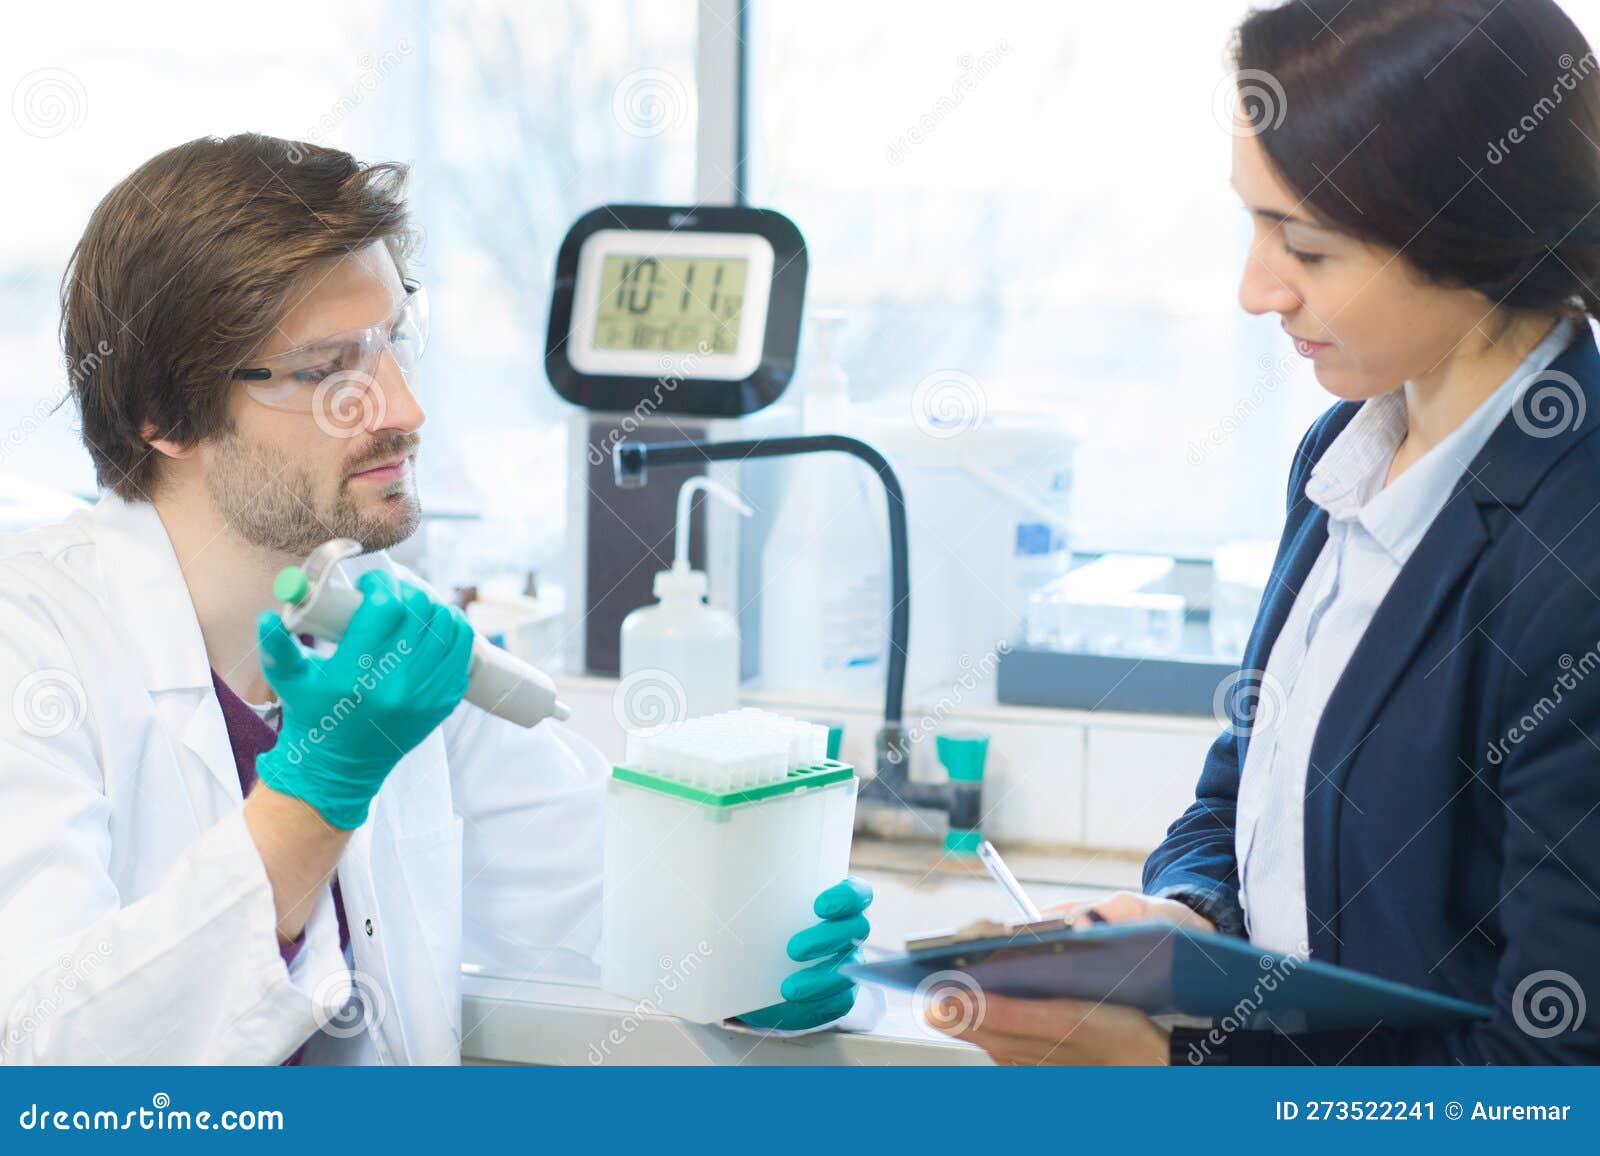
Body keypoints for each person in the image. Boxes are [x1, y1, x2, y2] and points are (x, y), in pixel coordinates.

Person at [0, 133, 872, 1064]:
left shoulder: (388, 626)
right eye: (330, 369)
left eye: (394, 343)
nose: (403, 408)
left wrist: (752, 956)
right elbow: (47, 1056)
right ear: (166, 415)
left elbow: (609, 897)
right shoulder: (33, 647)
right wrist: (310, 803)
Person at [936, 0, 1600, 1065]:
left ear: (1475, 231)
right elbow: (1238, 793)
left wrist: (1166, 1066)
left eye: (1307, 247)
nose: (1255, 289)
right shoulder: (1343, 459)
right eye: (1252, 225)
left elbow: (1555, 1085)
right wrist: (1188, 924)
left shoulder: (1574, 556)